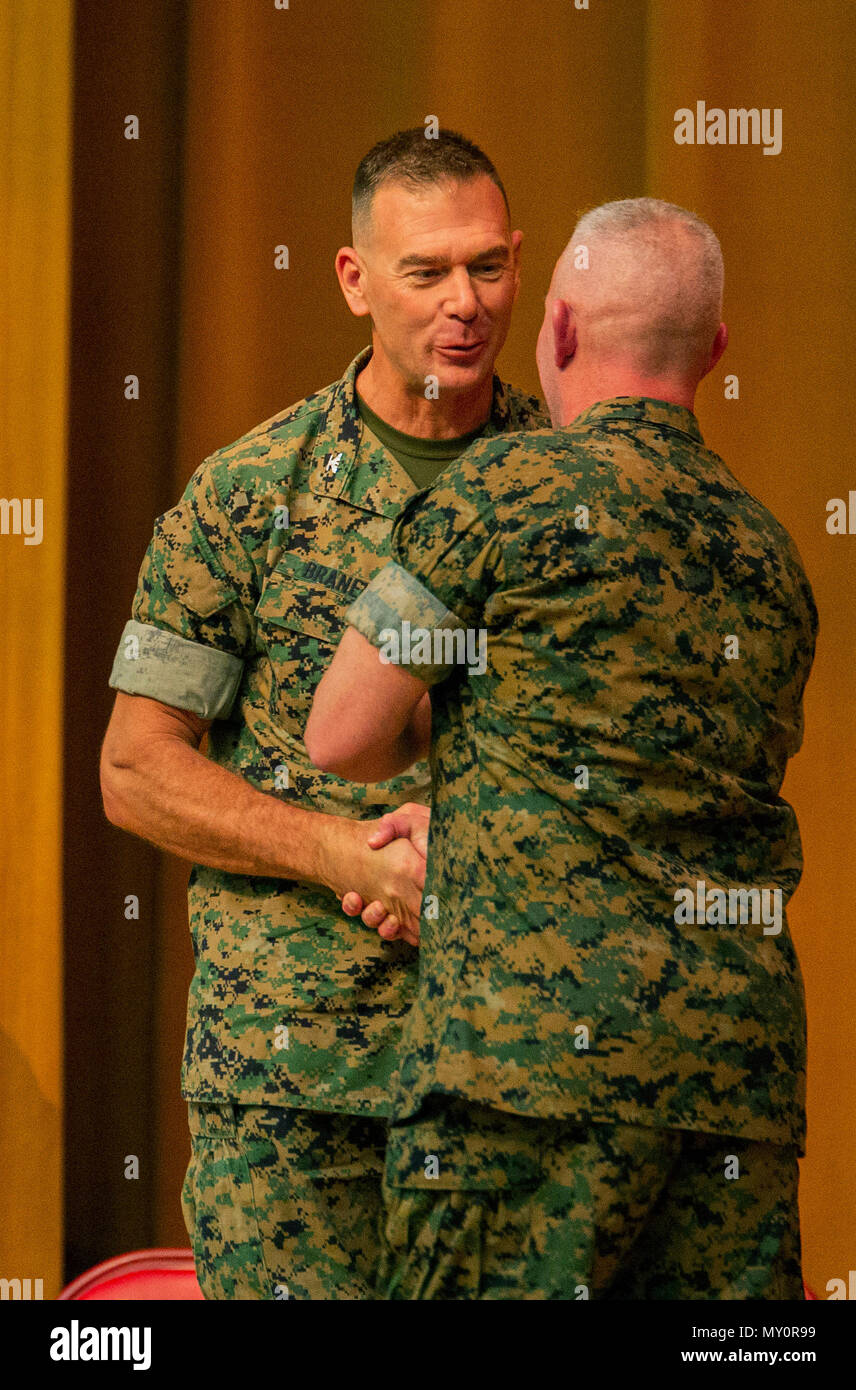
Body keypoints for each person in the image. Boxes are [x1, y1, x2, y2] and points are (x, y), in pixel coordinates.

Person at [305, 197, 819, 1300]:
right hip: (735, 1082)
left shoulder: (505, 491)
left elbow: (343, 732)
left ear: (564, 332)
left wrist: (472, 770)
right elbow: (668, 772)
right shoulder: (771, 557)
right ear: (713, 351)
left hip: (525, 1077)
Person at [99, 126, 548, 1300]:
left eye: (488, 267)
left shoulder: (570, 490)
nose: (465, 303)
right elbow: (136, 767)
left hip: (524, 1072)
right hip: (293, 1086)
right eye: (426, 272)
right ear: (353, 280)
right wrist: (337, 850)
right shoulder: (251, 493)